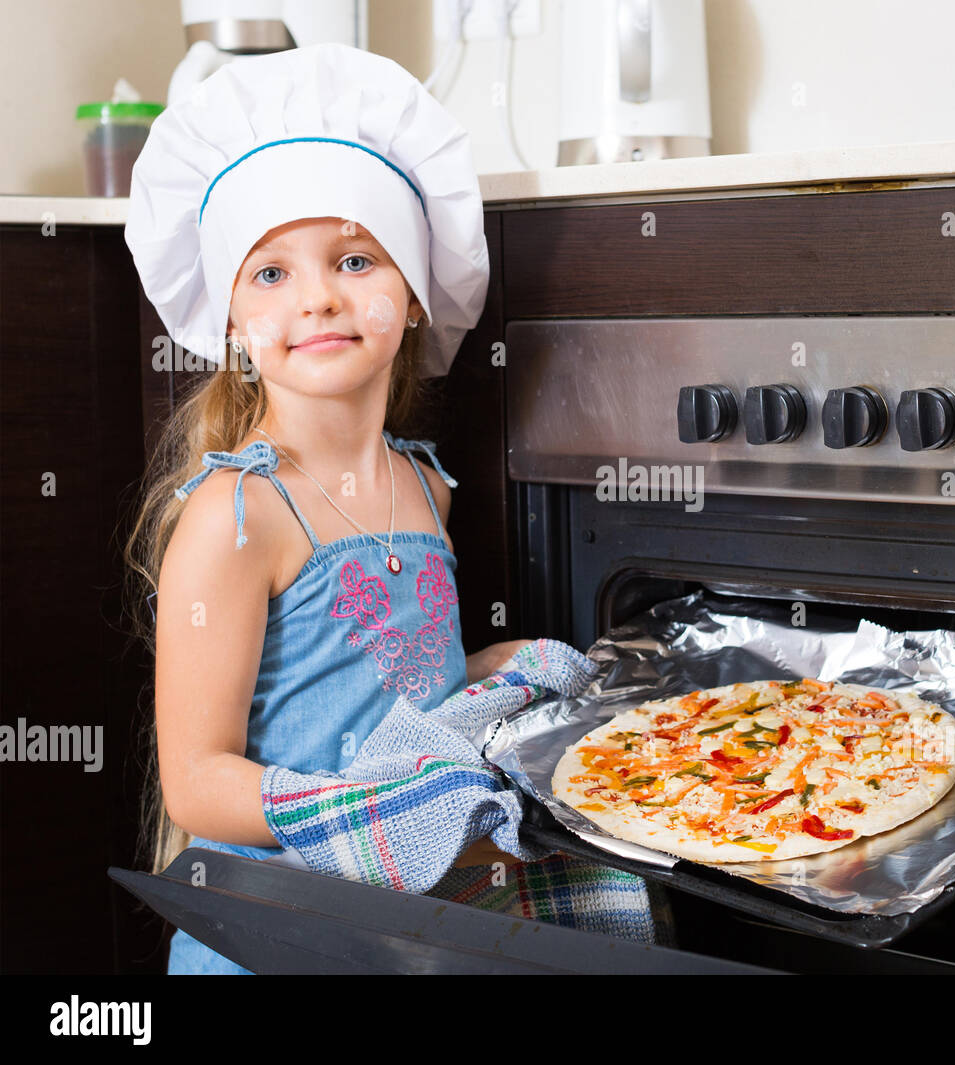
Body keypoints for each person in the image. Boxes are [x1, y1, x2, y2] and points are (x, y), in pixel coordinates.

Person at [122, 43, 670, 974]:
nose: (321, 297)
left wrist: (496, 667)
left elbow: (391, 693)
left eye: (354, 257)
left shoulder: (428, 488)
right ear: (229, 319)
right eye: (271, 274)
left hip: (406, 926)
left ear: (414, 293)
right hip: (279, 931)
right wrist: (368, 807)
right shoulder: (237, 515)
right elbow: (197, 783)